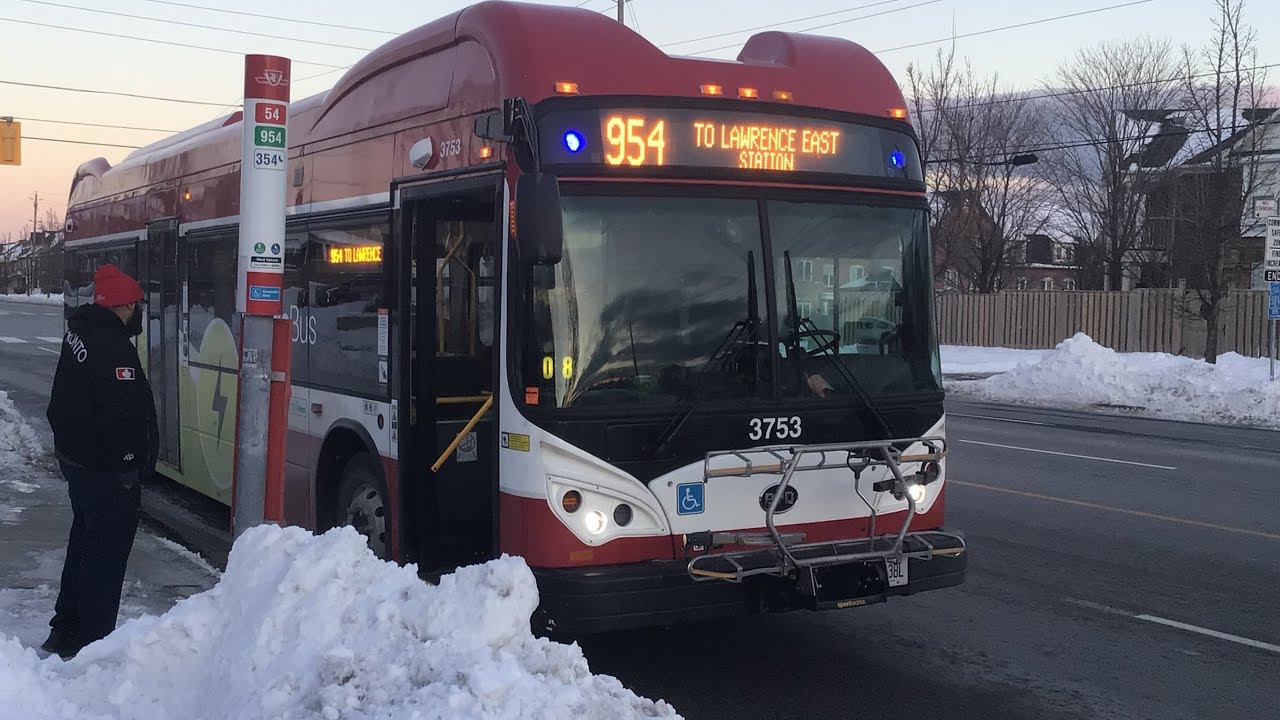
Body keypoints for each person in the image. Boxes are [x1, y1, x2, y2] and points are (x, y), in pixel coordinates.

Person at [42, 263, 158, 660]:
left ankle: (64, 628)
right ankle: (91, 644)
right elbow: (120, 414)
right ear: (127, 305)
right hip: (107, 472)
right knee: (105, 561)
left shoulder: (80, 332)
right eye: (138, 305)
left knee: (83, 545)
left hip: (78, 462)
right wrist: (128, 462)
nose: (140, 311)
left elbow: (62, 402)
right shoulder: (113, 346)